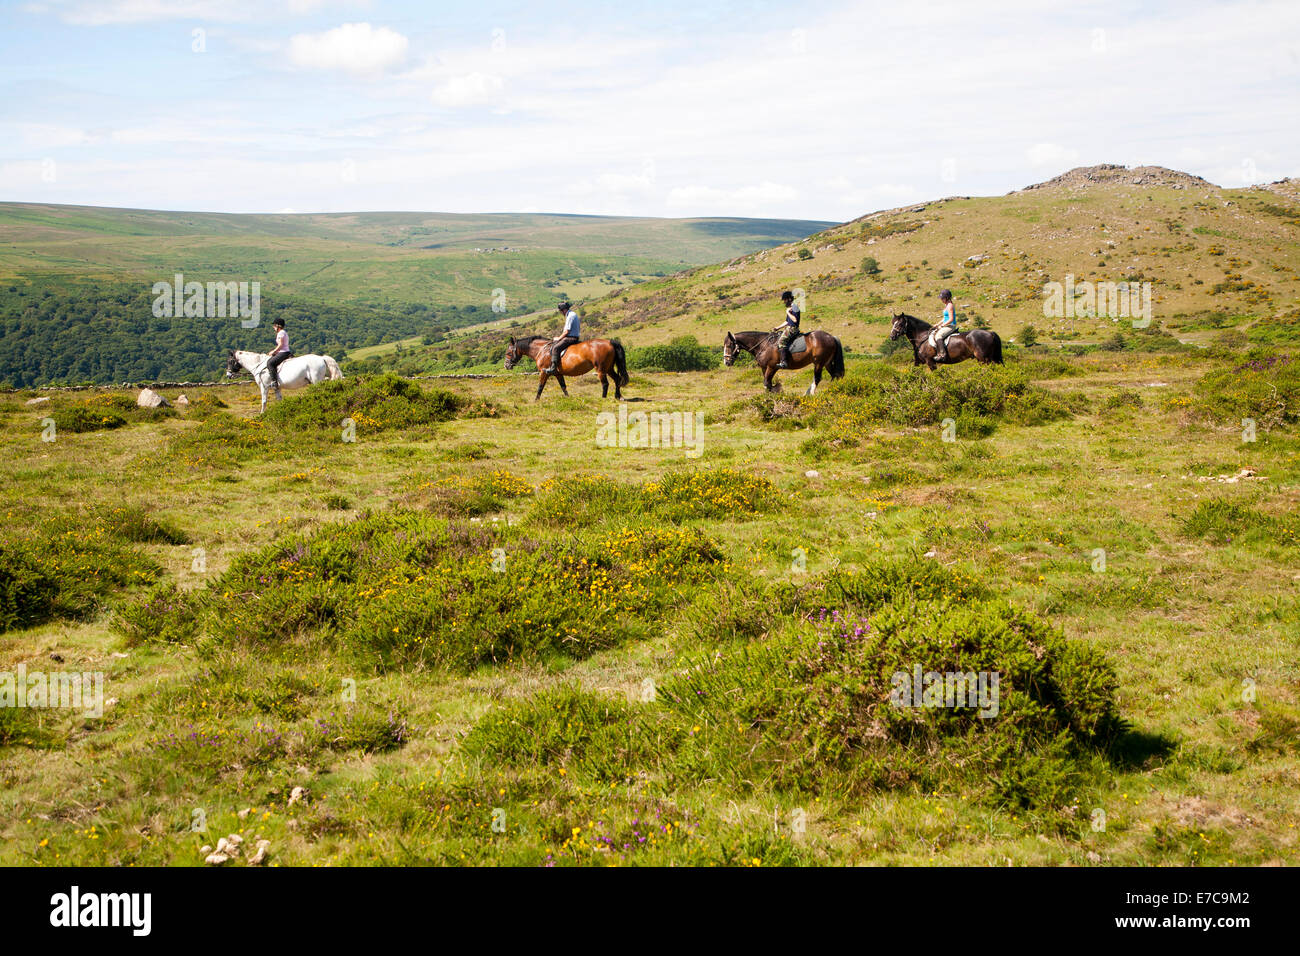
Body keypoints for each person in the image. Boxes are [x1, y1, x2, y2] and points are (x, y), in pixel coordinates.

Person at [543, 301, 580, 376]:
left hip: (570, 338)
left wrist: (559, 338)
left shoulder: (570, 316)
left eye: (560, 311)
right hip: (573, 336)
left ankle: (553, 368)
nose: (561, 313)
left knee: (555, 348)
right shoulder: (572, 314)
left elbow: (567, 331)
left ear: (563, 310)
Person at [775, 290, 800, 368]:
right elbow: (787, 321)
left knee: (781, 342)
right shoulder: (791, 308)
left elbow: (795, 320)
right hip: (789, 327)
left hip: (792, 329)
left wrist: (788, 312)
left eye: (785, 300)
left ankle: (784, 362)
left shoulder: (795, 307)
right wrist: (778, 327)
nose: (784, 302)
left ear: (789, 299)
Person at [266, 317, 292, 392]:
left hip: (283, 352)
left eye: (274, 325)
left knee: (270, 363)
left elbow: (280, 345)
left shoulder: (281, 333)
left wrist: (273, 351)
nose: (273, 327)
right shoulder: (283, 332)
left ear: (278, 326)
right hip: (284, 351)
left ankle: (274, 382)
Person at [931, 289, 957, 361]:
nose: (941, 300)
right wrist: (937, 324)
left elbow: (951, 319)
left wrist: (942, 326)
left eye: (942, 298)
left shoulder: (950, 306)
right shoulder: (946, 305)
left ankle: (942, 354)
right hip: (946, 325)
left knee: (938, 336)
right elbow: (945, 318)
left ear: (947, 298)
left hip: (951, 325)